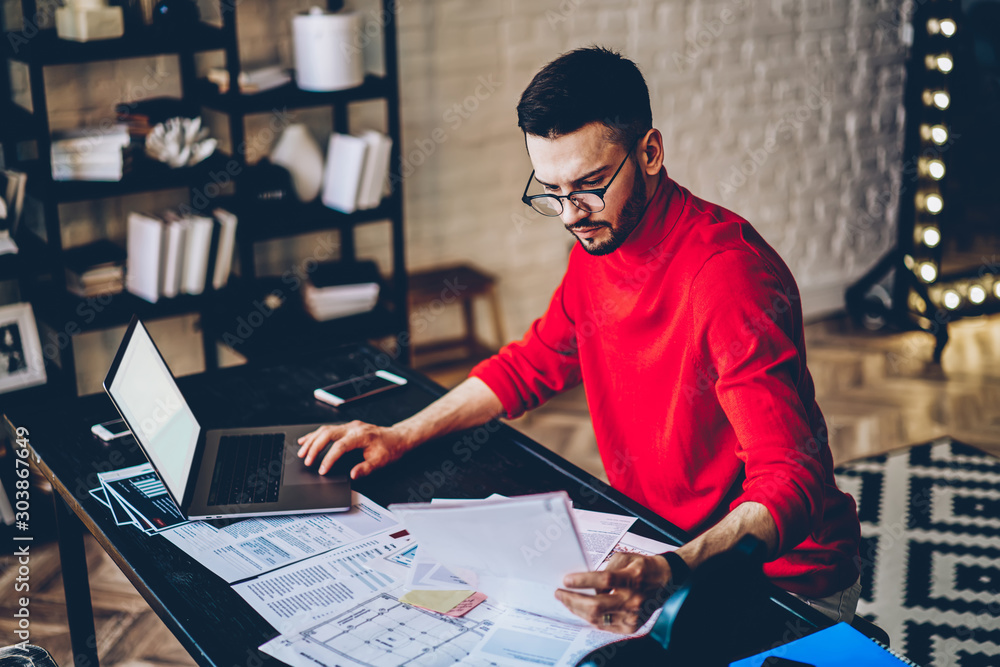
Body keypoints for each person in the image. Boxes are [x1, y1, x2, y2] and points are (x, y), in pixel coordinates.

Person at [297, 47, 862, 634]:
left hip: (780, 582)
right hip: (662, 545)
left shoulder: (728, 276)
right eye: (553, 191)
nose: (571, 215)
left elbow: (790, 479)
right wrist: (399, 435)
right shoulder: (600, 245)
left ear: (650, 152)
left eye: (591, 185)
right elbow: (531, 363)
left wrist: (673, 569)